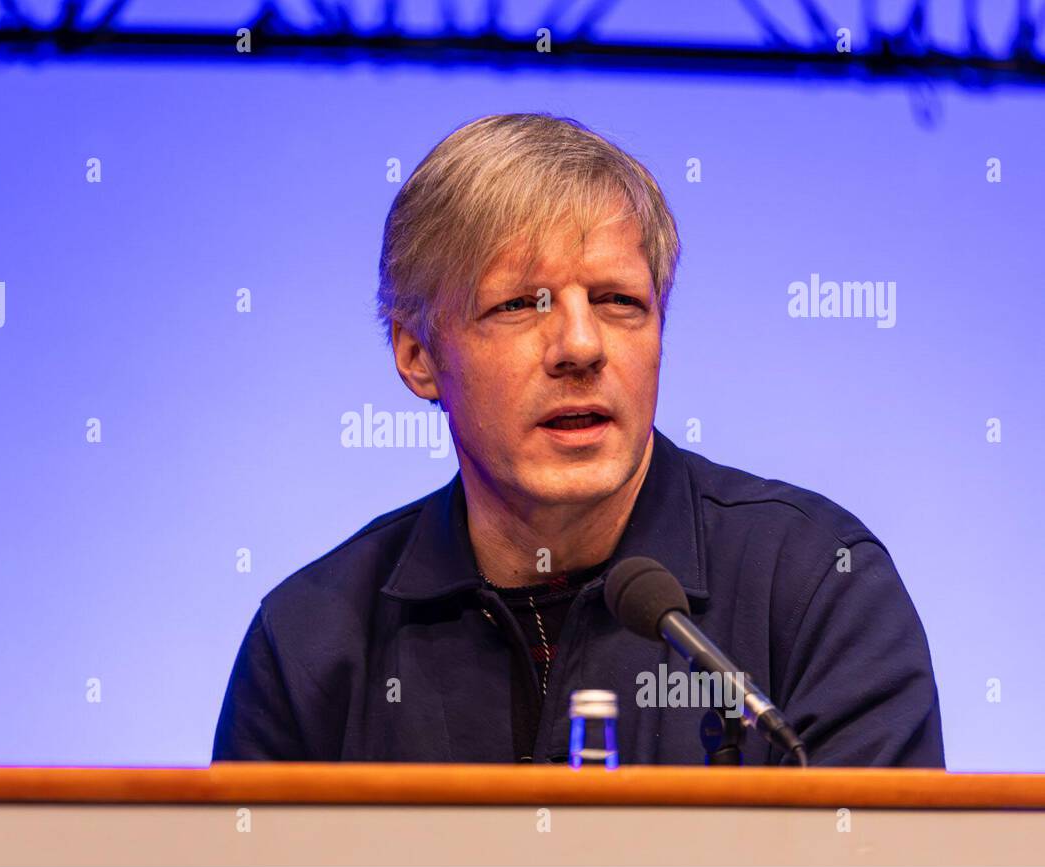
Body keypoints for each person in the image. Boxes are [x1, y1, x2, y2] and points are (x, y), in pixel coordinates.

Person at [213, 113, 944, 766]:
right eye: (520, 305)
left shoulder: (818, 585)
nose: (581, 345)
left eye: (618, 300)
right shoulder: (312, 638)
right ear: (418, 355)